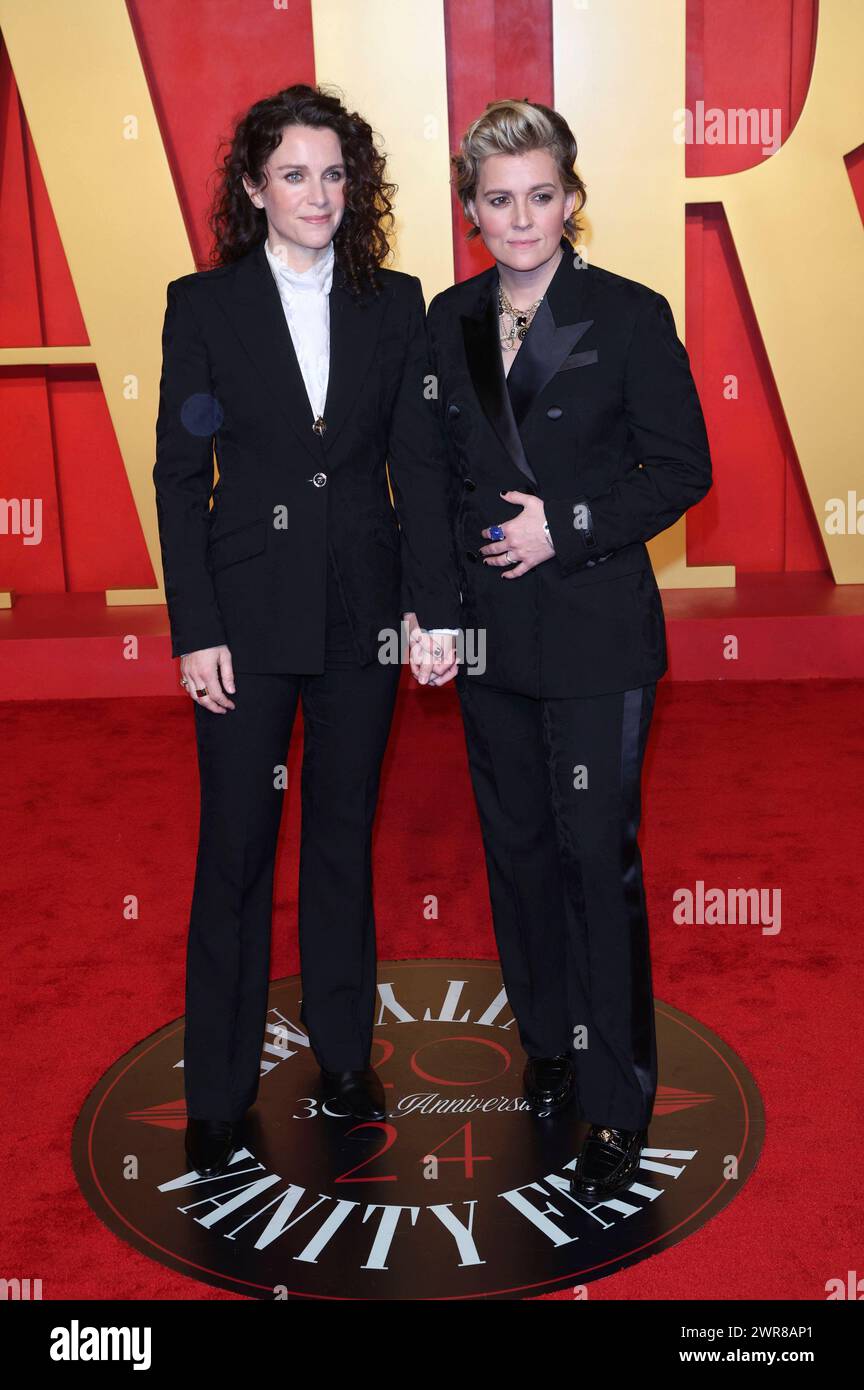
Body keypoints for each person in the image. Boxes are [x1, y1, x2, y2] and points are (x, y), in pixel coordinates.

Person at [153, 83, 458, 1179]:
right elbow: (181, 478)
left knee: (341, 839)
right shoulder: (204, 307)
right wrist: (195, 629)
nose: (318, 194)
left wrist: (434, 604)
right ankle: (220, 1087)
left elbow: (417, 469)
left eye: (335, 174)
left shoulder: (397, 301)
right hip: (242, 620)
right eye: (294, 173)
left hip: (364, 617)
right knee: (234, 852)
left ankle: (342, 1057)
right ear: (253, 187)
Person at [425, 98, 712, 1200]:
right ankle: (545, 1043)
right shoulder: (446, 321)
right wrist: (438, 609)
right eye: (498, 200)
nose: (522, 217)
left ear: (572, 198)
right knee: (518, 849)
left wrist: (569, 522)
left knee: (597, 857)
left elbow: (680, 469)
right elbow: (440, 479)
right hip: (496, 635)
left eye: (541, 195)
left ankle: (614, 1098)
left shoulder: (630, 316)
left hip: (595, 631)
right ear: (473, 212)